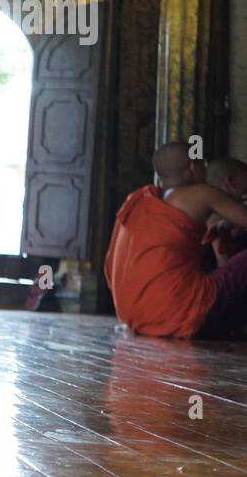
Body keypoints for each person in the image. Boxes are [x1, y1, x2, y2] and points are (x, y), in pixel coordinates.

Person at [105, 142, 247, 338]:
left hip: (134, 316)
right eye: (202, 164)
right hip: (178, 311)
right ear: (191, 167)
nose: (205, 169)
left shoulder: (138, 200)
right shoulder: (201, 193)